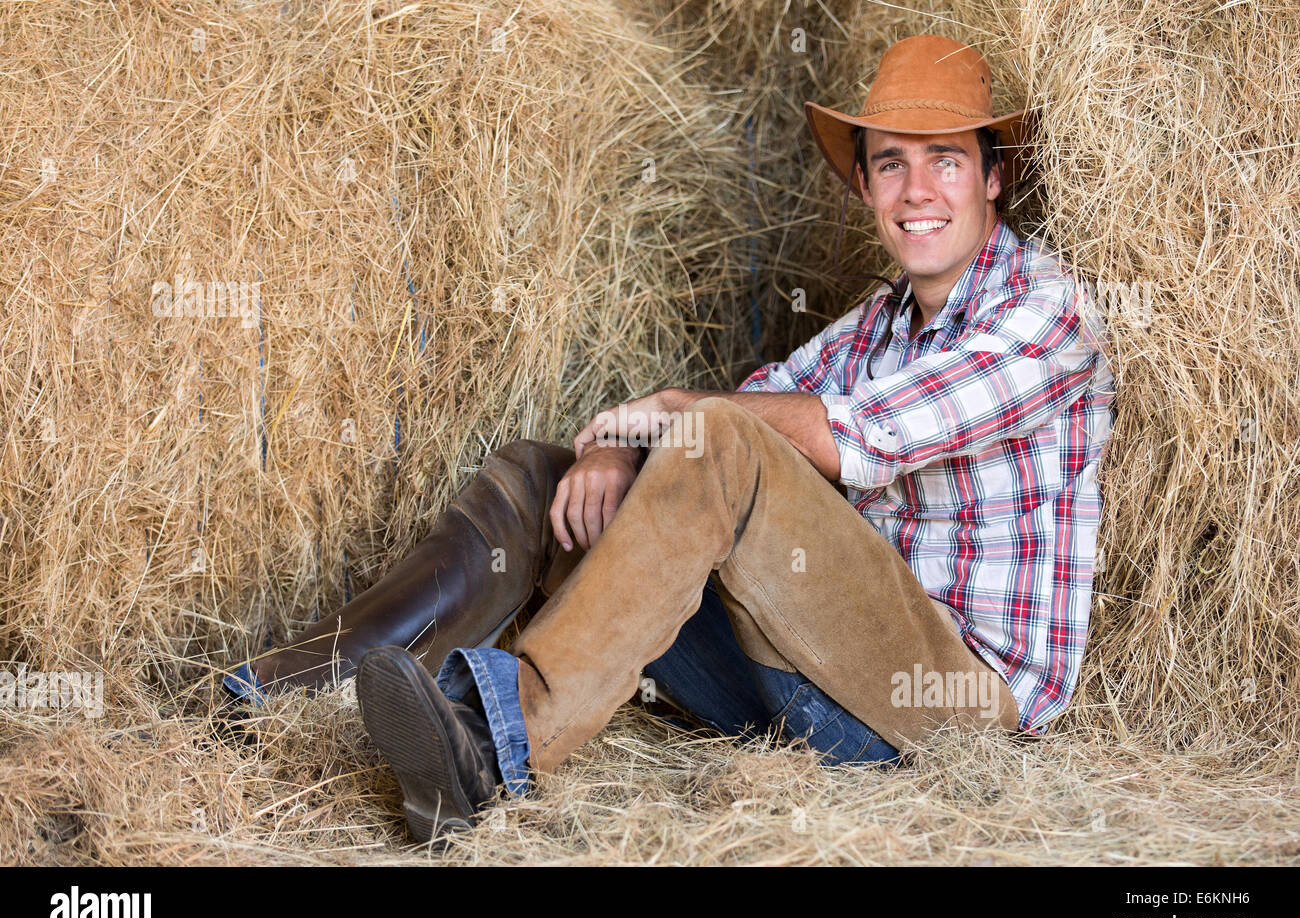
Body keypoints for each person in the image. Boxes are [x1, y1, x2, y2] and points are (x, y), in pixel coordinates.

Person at [225, 34, 1115, 842]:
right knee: (547, 479)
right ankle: (295, 694)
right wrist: (612, 444)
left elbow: (854, 437)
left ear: (993, 177)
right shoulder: (873, 328)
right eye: (890, 165)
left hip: (948, 713)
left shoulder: (1047, 312)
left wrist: (670, 414)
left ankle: (491, 746)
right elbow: (742, 408)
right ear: (866, 187)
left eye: (944, 162)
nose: (916, 191)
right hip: (809, 678)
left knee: (720, 440)